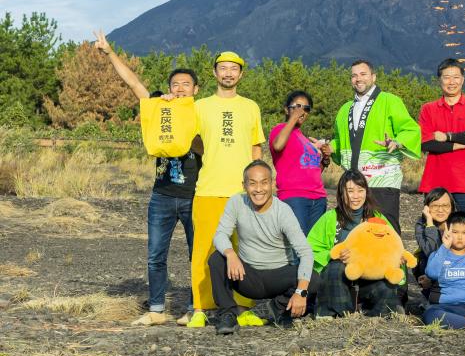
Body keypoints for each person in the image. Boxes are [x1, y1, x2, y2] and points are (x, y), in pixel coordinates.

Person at [94, 30, 201, 326]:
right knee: (156, 255)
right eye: (175, 84)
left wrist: (188, 131)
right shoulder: (159, 107)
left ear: (195, 90)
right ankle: (156, 309)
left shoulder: (202, 112)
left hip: (194, 196)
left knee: (198, 254)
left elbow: (209, 147)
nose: (179, 88)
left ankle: (195, 308)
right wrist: (109, 52)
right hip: (162, 195)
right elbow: (134, 84)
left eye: (185, 85)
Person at [189, 51, 266, 328]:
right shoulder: (200, 106)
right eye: (223, 68)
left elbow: (256, 147)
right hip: (209, 189)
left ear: (241, 74)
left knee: (245, 249)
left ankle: (243, 307)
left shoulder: (250, 107)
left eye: (234, 69)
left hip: (243, 192)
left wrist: (260, 186)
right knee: (204, 250)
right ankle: (200, 307)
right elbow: (192, 141)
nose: (229, 73)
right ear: (214, 73)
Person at [208, 161, 317, 334]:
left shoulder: (284, 211)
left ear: (273, 184)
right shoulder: (236, 202)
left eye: (264, 182)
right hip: (247, 275)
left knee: (314, 278)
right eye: (252, 183)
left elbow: (305, 252)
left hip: (278, 276)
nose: (258, 189)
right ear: (244, 185)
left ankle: (275, 308)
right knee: (216, 259)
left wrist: (301, 292)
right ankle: (227, 314)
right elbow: (220, 234)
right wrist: (230, 254)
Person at [329, 59, 421, 236]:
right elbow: (340, 142)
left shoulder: (389, 101)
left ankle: (395, 264)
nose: (358, 79)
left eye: (363, 74)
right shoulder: (345, 109)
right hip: (354, 184)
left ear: (373, 77)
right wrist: (328, 147)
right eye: (354, 75)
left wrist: (398, 142)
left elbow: (411, 129)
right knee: (355, 232)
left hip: (382, 180)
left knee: (385, 230)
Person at [307, 170, 399, 317]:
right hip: (338, 281)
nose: (355, 196)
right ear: (342, 193)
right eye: (350, 191)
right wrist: (332, 255)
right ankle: (337, 312)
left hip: (368, 278)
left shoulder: (377, 218)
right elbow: (310, 248)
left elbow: (393, 246)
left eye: (360, 190)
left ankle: (370, 309)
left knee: (386, 289)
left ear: (366, 192)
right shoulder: (330, 218)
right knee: (336, 267)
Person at [418, 58, 465, 244]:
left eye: (456, 77)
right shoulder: (428, 109)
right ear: (439, 80)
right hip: (436, 182)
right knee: (437, 236)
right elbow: (427, 144)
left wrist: (448, 137)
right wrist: (461, 143)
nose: (452, 82)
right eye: (447, 77)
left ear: (463, 80)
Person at [269, 91, 330, 236]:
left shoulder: (303, 138)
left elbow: (311, 170)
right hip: (295, 198)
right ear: (286, 109)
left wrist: (325, 160)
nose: (301, 111)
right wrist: (293, 118)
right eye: (297, 106)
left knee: (313, 247)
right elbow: (277, 145)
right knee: (297, 247)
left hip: (318, 198)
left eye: (306, 108)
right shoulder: (279, 130)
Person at [413, 187, 456, 303]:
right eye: (435, 206)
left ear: (452, 207)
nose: (440, 210)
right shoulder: (421, 224)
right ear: (427, 207)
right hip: (430, 269)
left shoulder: (457, 223)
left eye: (445, 206)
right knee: (422, 260)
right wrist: (430, 224)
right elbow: (431, 252)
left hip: (455, 272)